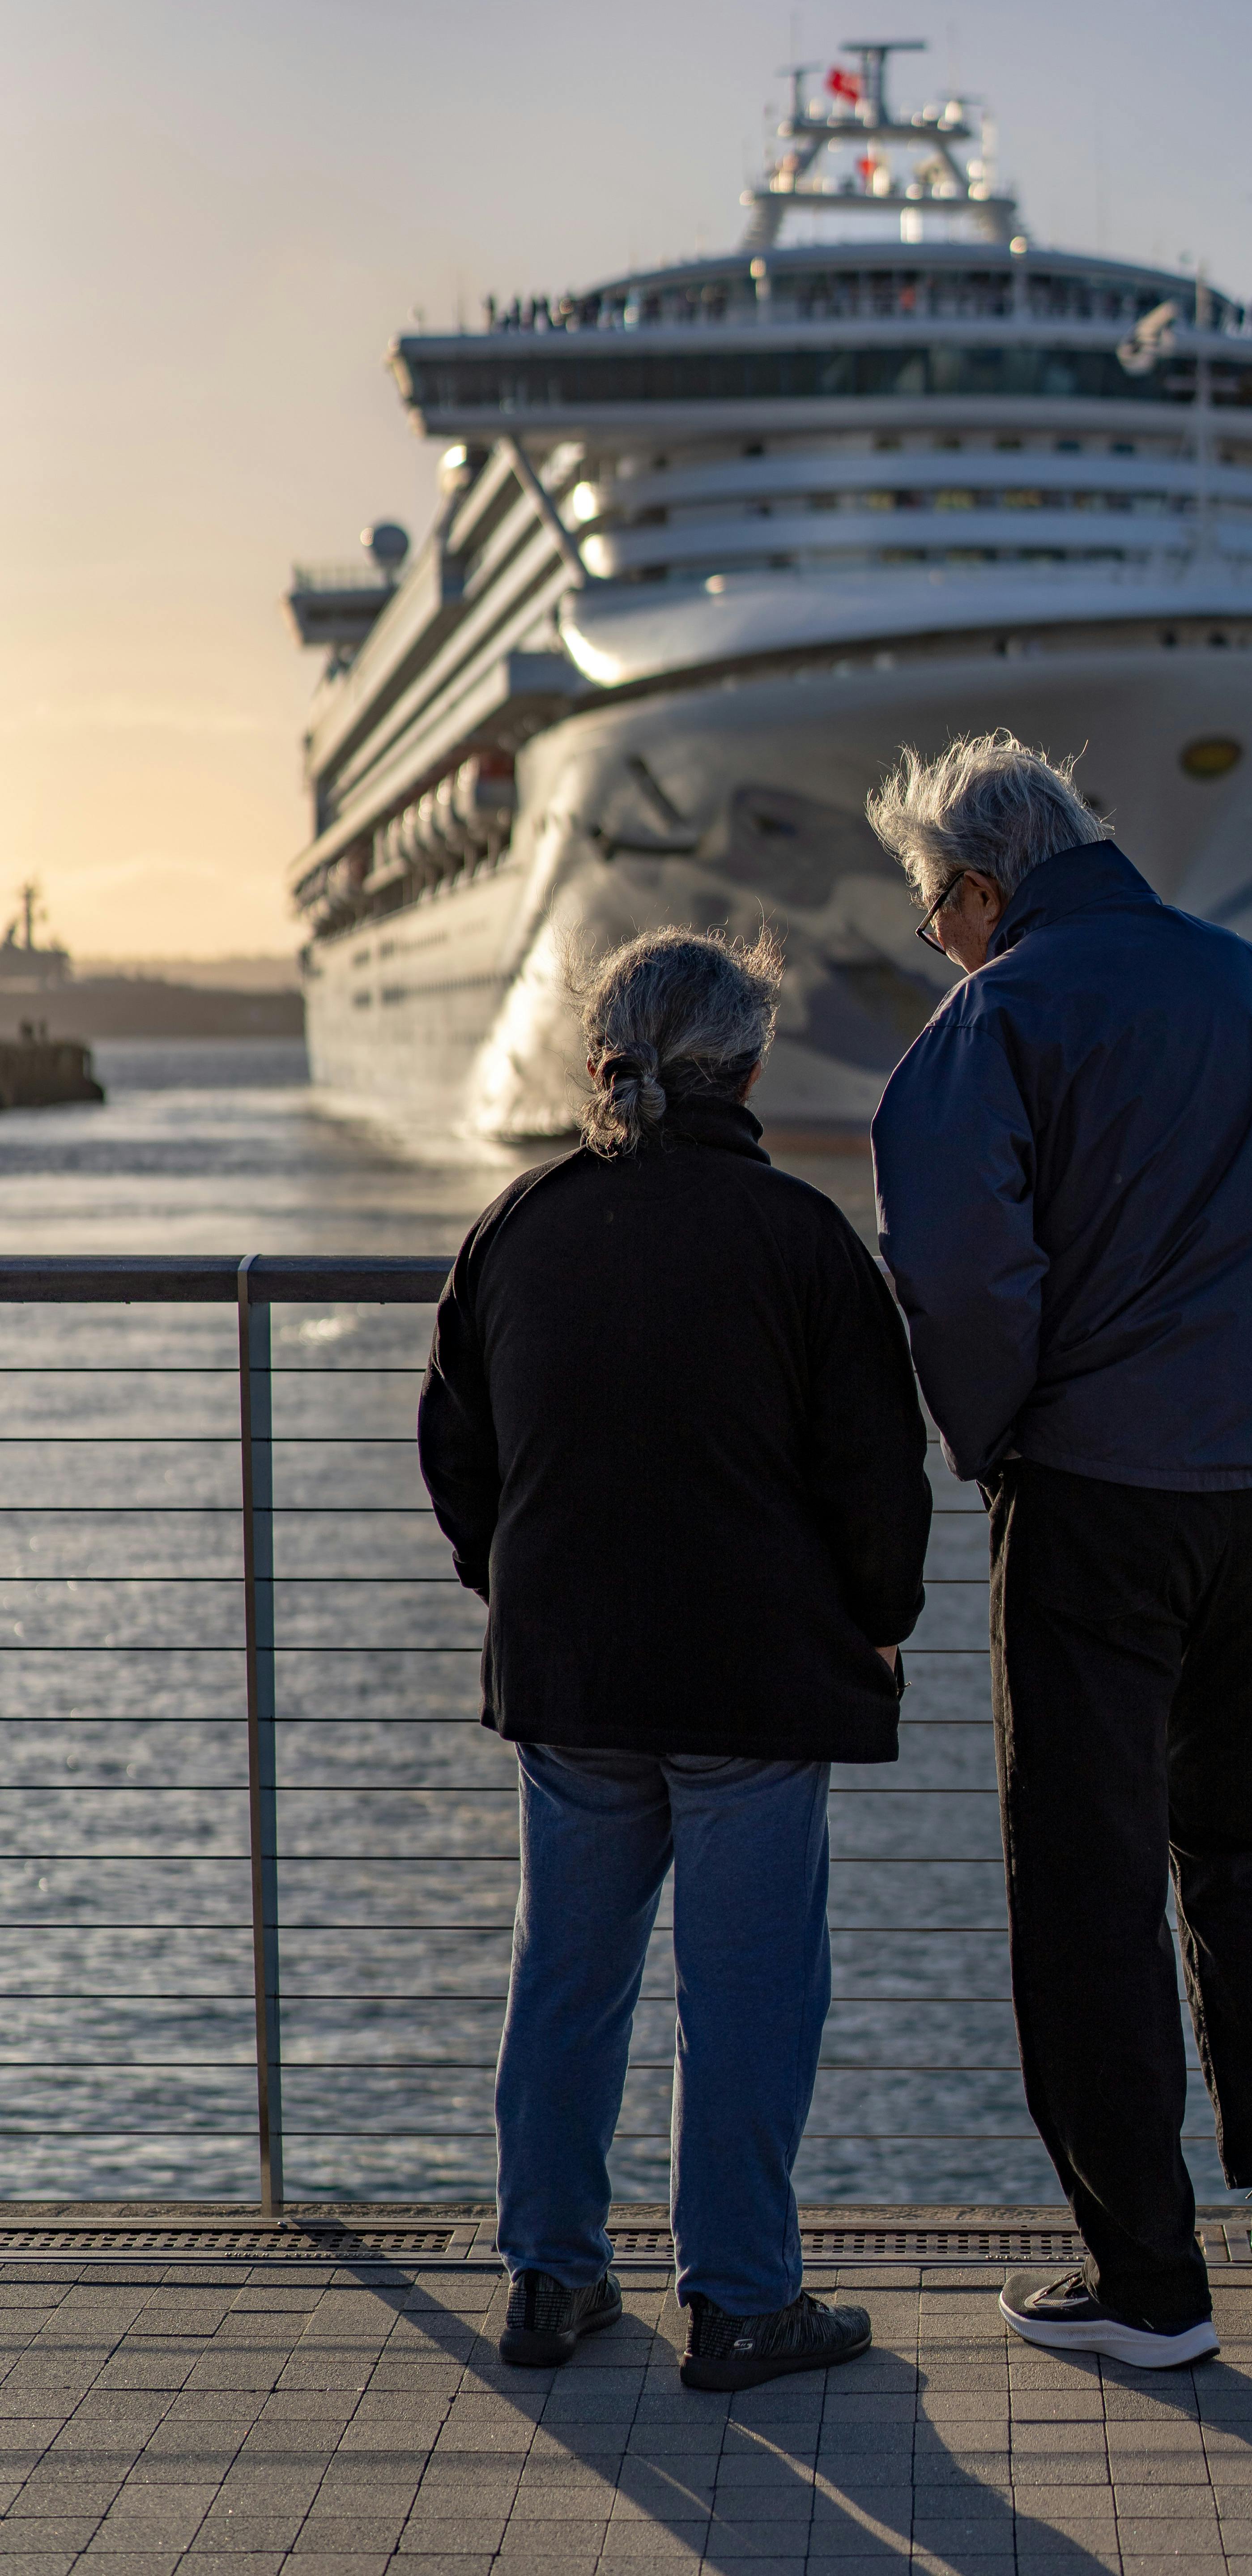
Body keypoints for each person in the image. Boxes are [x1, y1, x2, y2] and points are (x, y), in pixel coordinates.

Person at [868, 734, 1252, 2369]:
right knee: (1230, 1827)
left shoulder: (1001, 1016)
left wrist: (999, 1434)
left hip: (1099, 1486)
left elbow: (955, 1270)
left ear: (979, 886)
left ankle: (1151, 2283)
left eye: (932, 912)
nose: (935, 944)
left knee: (1085, 1872)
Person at [418, 928, 932, 2389]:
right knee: (748, 1992)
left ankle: (548, 2278)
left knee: (567, 1977)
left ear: (605, 1057)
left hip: (569, 1672)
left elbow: (456, 1445)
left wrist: (506, 1580)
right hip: (755, 1681)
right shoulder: (804, 1240)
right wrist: (878, 1615)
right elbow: (874, 1470)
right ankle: (744, 2300)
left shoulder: (518, 1224)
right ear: (752, 1064)